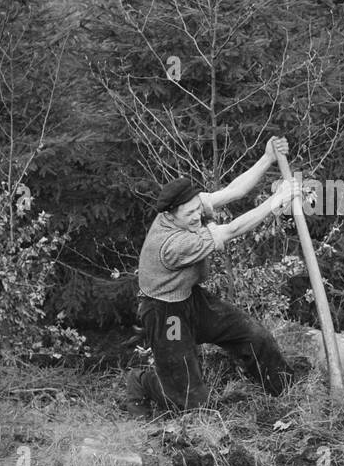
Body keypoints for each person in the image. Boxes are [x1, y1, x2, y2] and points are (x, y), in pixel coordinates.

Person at [127, 136, 303, 413]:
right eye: (191, 214)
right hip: (166, 313)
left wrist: (267, 158)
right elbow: (232, 230)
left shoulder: (189, 205)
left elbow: (235, 191)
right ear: (171, 216)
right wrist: (277, 200)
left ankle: (286, 392)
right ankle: (142, 382)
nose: (198, 216)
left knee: (253, 335)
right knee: (190, 402)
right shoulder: (172, 245)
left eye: (199, 208)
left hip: (192, 300)